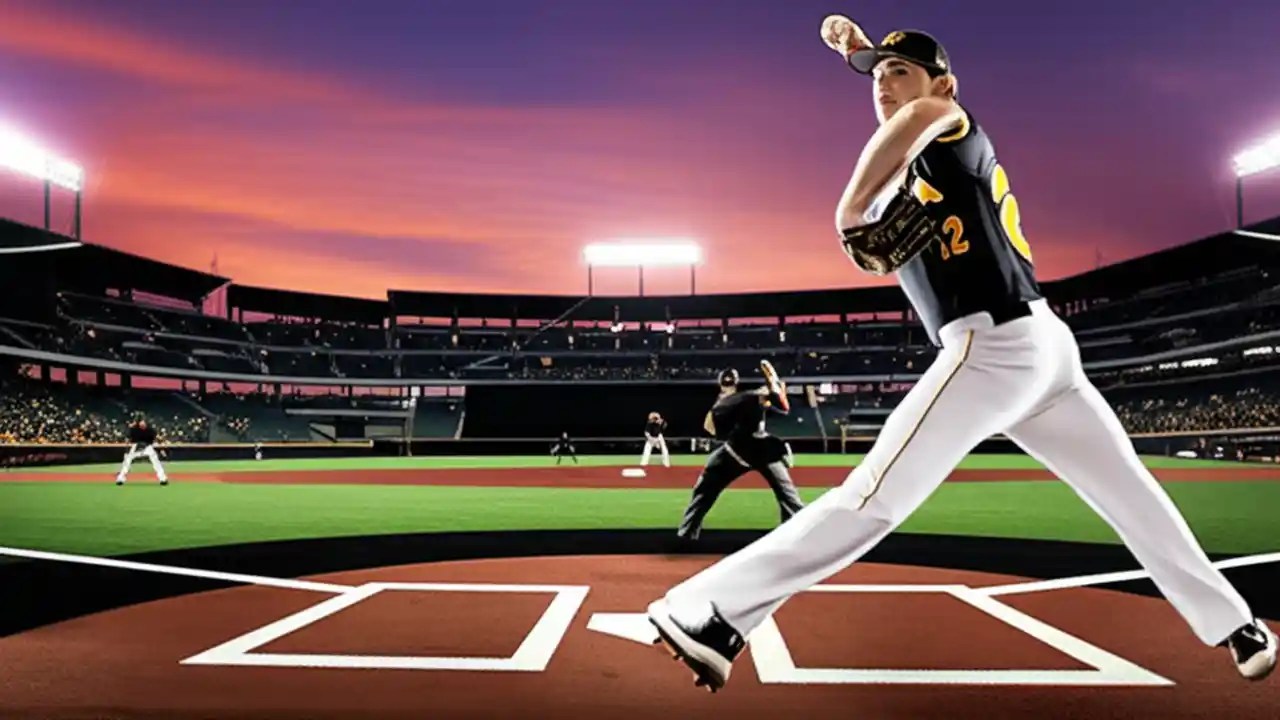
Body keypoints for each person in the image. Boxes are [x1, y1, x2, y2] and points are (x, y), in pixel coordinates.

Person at [644, 18, 1275, 692]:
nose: (885, 87)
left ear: (943, 82)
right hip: (1043, 349)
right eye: (878, 77)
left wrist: (851, 211)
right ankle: (1238, 626)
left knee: (872, 499)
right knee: (1131, 496)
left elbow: (917, 111)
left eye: (901, 73)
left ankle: (705, 609)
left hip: (993, 346)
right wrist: (860, 54)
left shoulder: (945, 117)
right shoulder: (922, 156)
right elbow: (899, 106)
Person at [675, 364, 804, 546]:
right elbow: (782, 407)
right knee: (789, 496)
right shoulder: (749, 396)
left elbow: (710, 429)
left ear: (721, 383)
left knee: (704, 490)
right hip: (761, 451)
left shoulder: (728, 402)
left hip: (737, 451)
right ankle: (799, 532)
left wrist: (770, 394)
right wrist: (773, 391)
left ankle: (686, 535)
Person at [115, 416, 168, 486]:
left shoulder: (150, 430)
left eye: (144, 422)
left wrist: (161, 440)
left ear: (146, 423)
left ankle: (162, 478)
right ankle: (120, 478)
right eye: (141, 422)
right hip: (136, 446)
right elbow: (128, 438)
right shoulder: (134, 429)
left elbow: (157, 438)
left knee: (155, 461)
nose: (142, 424)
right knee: (127, 461)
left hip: (147, 447)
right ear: (138, 423)